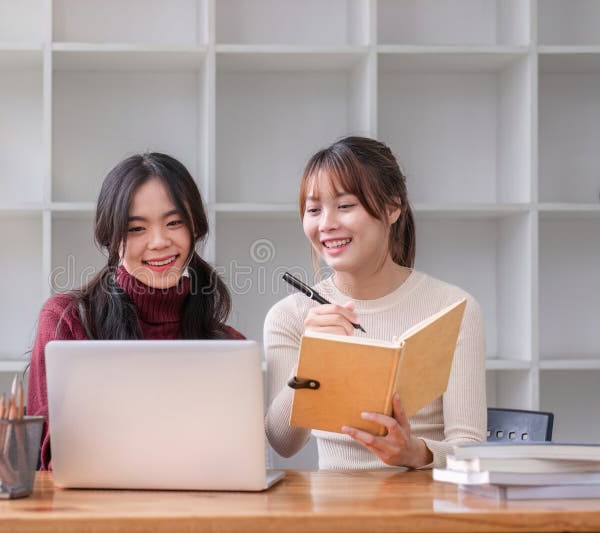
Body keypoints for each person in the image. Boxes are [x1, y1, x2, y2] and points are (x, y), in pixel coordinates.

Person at [264, 137, 486, 470]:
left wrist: (415, 453)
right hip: (334, 513)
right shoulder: (290, 316)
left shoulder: (455, 307)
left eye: (345, 205)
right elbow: (283, 444)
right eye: (313, 210)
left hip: (424, 512)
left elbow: (470, 449)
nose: (326, 224)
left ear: (392, 208)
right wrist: (312, 359)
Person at [28, 152, 244, 470]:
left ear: (194, 228)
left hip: (196, 512)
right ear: (111, 238)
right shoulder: (68, 320)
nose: (158, 242)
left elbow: (235, 459)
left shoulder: (229, 346)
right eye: (136, 229)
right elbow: (46, 460)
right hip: (95, 513)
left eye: (173, 223)